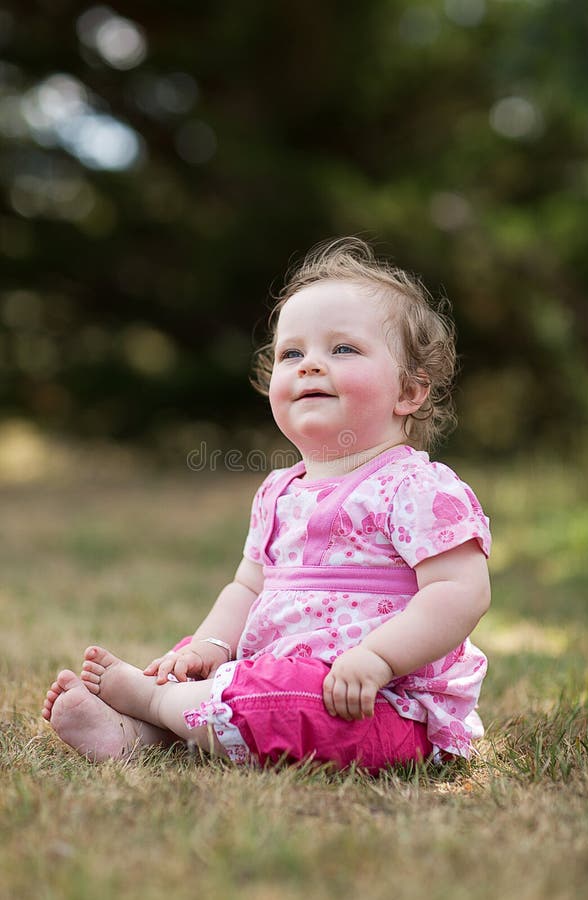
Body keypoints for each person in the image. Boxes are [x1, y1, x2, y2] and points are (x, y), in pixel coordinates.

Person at [42, 237, 491, 772]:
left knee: (287, 699)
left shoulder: (417, 487)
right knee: (207, 669)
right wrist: (209, 643)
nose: (310, 365)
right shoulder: (278, 491)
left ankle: (157, 708)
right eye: (291, 353)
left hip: (376, 701)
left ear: (410, 392)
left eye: (342, 349)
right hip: (266, 670)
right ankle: (147, 728)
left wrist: (378, 658)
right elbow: (247, 588)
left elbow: (460, 592)